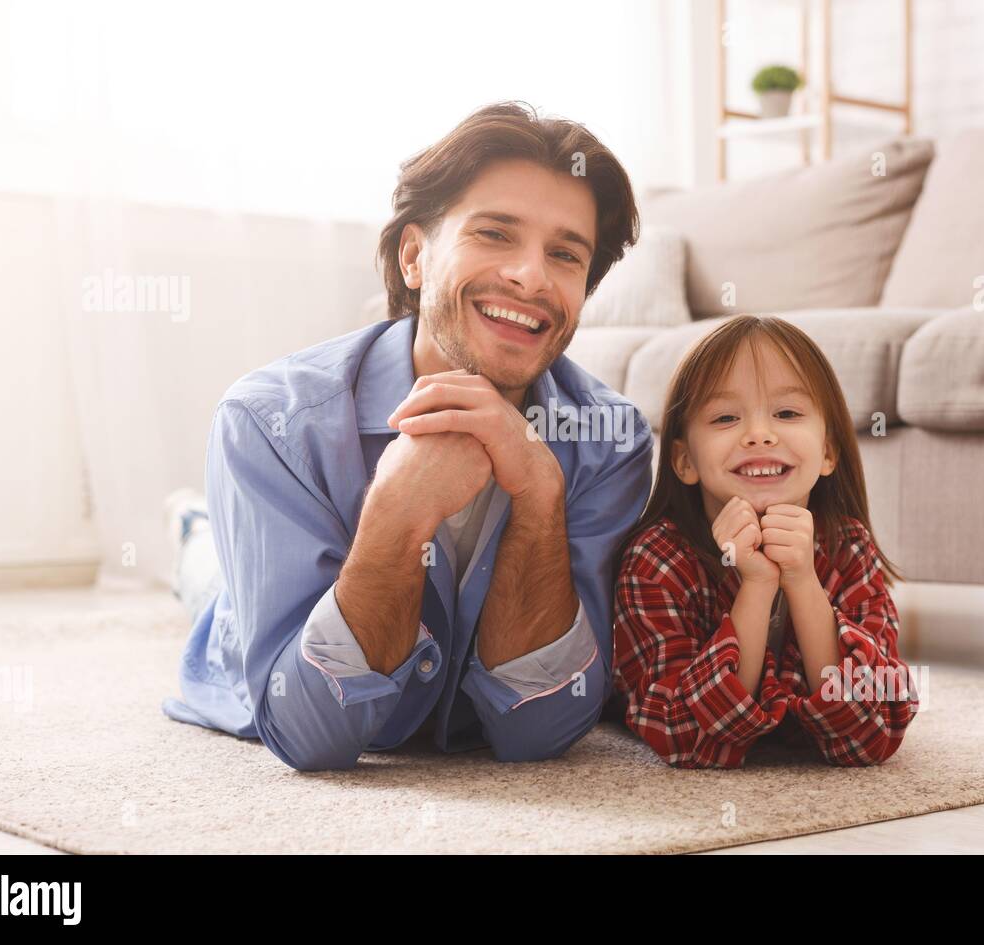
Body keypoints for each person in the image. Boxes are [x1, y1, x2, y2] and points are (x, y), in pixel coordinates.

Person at [160, 101, 652, 771]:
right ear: (415, 256)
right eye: (496, 234)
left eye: (564, 254)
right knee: (210, 580)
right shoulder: (266, 422)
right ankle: (193, 527)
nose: (532, 275)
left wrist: (539, 498)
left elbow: (542, 729)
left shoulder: (613, 441)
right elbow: (312, 733)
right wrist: (395, 512)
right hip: (242, 606)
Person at [612, 315, 919, 769]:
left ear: (829, 452)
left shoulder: (848, 547)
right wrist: (756, 585)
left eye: (788, 414)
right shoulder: (657, 559)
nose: (759, 433)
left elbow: (869, 734)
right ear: (684, 461)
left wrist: (802, 582)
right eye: (725, 418)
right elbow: (687, 739)